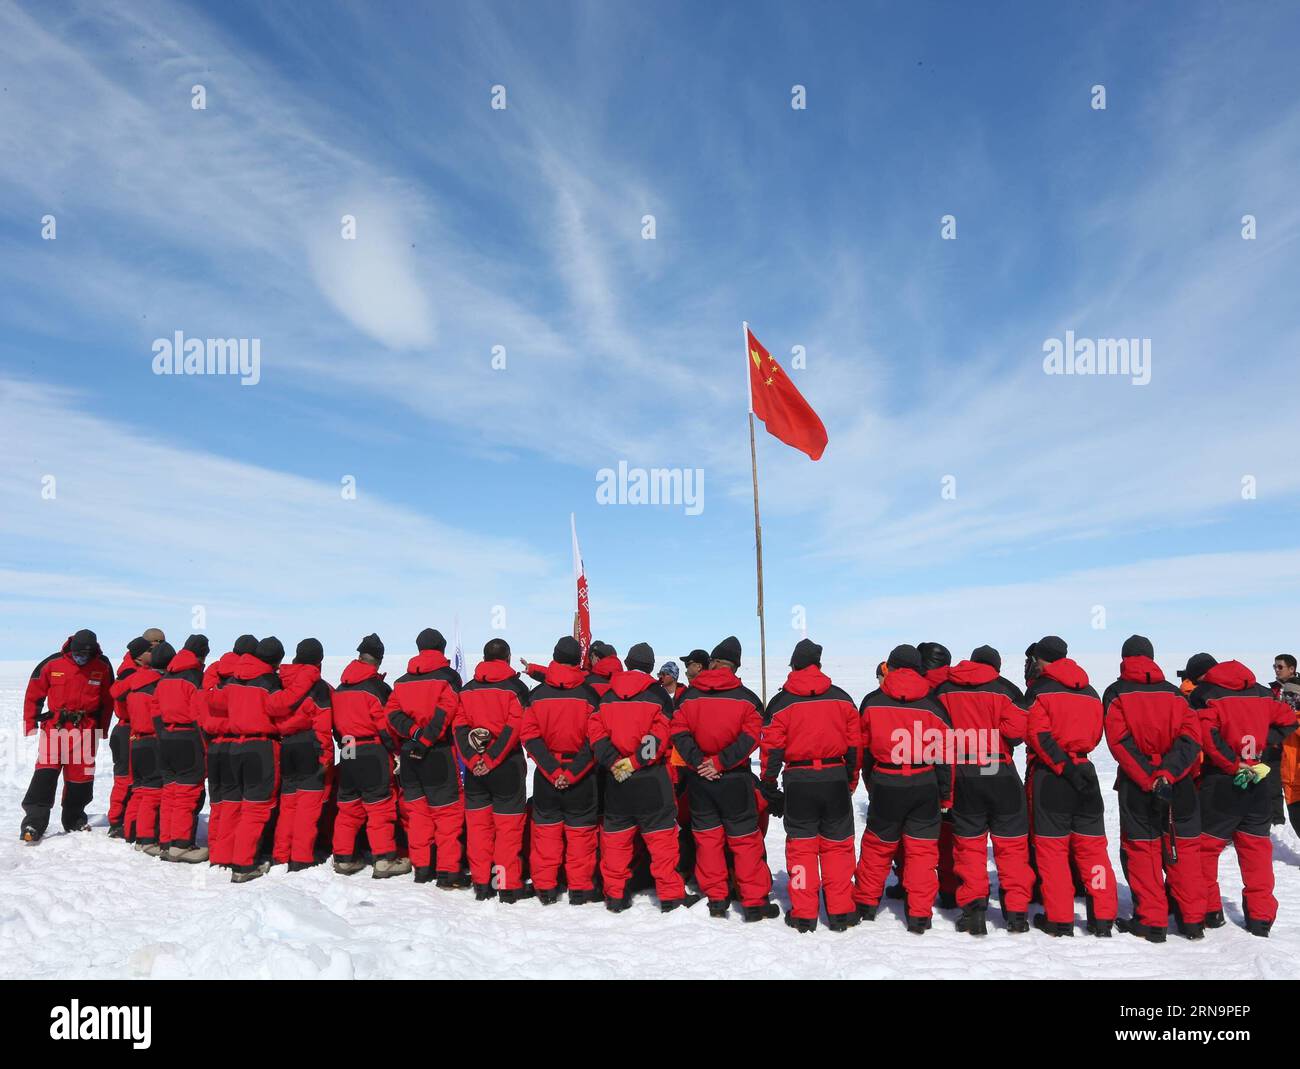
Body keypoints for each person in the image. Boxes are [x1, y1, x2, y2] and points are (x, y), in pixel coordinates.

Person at [1102, 635, 1206, 942]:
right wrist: (1169, 773)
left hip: (1138, 785)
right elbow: (1191, 737)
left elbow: (1118, 741)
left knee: (1142, 850)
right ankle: (1192, 920)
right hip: (1179, 783)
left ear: (1124, 658)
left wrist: (1149, 777)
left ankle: (1152, 921)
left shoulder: (1116, 692)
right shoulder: (1175, 694)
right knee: (1184, 850)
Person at [671, 636, 778, 922]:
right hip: (735, 779)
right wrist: (720, 762)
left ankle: (717, 897)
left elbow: (678, 732)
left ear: (714, 662)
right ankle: (754, 901)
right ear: (735, 666)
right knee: (745, 841)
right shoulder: (748, 699)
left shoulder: (689, 697)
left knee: (708, 840)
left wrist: (701, 763)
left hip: (700, 780)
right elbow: (752, 738)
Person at [760, 639, 861, 933]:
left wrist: (768, 783)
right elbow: (855, 746)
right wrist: (851, 780)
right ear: (818, 665)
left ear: (794, 666)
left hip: (799, 781)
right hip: (834, 778)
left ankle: (804, 913)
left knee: (802, 849)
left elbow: (771, 749)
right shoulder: (842, 698)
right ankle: (841, 910)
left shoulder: (782, 702)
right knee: (838, 848)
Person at [932, 645, 1034, 935]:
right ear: (995, 667)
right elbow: (1015, 734)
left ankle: (974, 912)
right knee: (1011, 846)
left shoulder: (944, 689)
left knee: (970, 846)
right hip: (997, 768)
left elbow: (936, 731)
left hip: (964, 772)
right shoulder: (1006, 689)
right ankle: (1016, 914)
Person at [1191, 656, 1297, 936]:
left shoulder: (1207, 694)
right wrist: (1267, 737)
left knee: (1205, 850)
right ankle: (1261, 918)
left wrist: (1230, 761)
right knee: (1256, 851)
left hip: (1222, 780)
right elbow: (1289, 719)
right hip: (1258, 775)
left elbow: (1206, 734)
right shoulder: (1262, 692)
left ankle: (1211, 911)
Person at [852, 644, 952, 933]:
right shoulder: (934, 705)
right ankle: (920, 913)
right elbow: (944, 756)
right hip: (923, 782)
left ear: (891, 668)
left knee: (877, 846)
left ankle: (866, 903)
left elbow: (864, 749)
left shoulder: (872, 701)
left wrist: (871, 782)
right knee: (922, 850)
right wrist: (945, 794)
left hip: (886, 780)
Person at [590, 642, 696, 912]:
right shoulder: (657, 695)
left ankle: (615, 895)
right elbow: (659, 735)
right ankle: (671, 896)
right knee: (661, 840)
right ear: (651, 667)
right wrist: (635, 762)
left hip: (617, 780)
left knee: (615, 840)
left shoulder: (609, 696)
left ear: (626, 662)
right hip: (651, 777)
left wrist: (618, 764)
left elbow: (597, 733)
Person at [1024, 635, 1117, 937]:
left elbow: (1038, 735)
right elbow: (1095, 733)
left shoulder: (1040, 690)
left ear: (1041, 659)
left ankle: (1060, 918)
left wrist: (1061, 765)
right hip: (1086, 770)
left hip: (1052, 776)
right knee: (1093, 850)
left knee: (1053, 851)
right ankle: (1103, 917)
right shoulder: (1090, 691)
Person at [204, 635, 316, 882]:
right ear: (275, 661)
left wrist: (213, 673)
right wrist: (306, 679)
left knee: (232, 806)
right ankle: (244, 866)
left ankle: (222, 858)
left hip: (233, 747)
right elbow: (281, 705)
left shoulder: (233, 681)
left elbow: (213, 698)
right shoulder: (268, 682)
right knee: (255, 809)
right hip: (261, 748)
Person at [385, 628, 467, 887]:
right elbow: (446, 711)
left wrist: (414, 734)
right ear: (442, 649)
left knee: (418, 815)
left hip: (410, 754)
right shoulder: (449, 677)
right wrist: (426, 738)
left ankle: (422, 869)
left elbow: (392, 714)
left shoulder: (401, 681)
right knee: (447, 817)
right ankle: (448, 872)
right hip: (438, 752)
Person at [522, 636, 601, 905]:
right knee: (581, 834)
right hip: (581, 776)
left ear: (554, 658)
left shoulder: (537, 695)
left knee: (546, 833)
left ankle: (545, 887)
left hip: (547, 777)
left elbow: (530, 737)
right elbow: (595, 740)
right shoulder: (590, 695)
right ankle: (579, 889)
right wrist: (571, 773)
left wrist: (553, 771)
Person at [20, 629, 114, 842]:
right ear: (71, 649)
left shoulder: (103, 666)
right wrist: (30, 723)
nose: (81, 659)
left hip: (87, 730)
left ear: (93, 652)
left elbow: (108, 702)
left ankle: (74, 819)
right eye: (78, 654)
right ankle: (34, 823)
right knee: (45, 774)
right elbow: (33, 694)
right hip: (55, 728)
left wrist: (103, 729)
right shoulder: (52, 664)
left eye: (85, 655)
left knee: (81, 778)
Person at [455, 638, 531, 901]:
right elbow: (515, 727)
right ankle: (506, 886)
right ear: (508, 658)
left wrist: (472, 759)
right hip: (506, 766)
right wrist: (492, 758)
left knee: (478, 828)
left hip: (475, 768)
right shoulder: (516, 688)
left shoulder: (467, 690)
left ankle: (481, 883)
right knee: (506, 830)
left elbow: (459, 726)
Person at [330, 634, 406, 880]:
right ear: (379, 660)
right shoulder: (377, 689)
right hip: (372, 750)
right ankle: (383, 859)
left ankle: (343, 858)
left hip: (347, 748)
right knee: (379, 806)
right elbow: (385, 726)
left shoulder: (341, 688)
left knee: (348, 806)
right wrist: (394, 751)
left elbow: (335, 725)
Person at [274, 639, 335, 871]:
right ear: (319, 660)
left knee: (288, 804)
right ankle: (301, 858)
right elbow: (322, 723)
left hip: (287, 746)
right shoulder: (319, 687)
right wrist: (326, 757)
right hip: (310, 746)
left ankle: (281, 854)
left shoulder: (282, 682)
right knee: (307, 807)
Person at [201, 634, 257, 867]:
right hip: (237, 742)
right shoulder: (248, 675)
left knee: (218, 802)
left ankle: (216, 850)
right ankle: (230, 853)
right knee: (238, 804)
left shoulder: (213, 673)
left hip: (213, 743)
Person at [155, 635, 211, 863]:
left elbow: (155, 710)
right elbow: (199, 714)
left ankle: (166, 842)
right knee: (187, 792)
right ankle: (181, 844)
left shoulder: (167, 676)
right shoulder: (195, 677)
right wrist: (205, 745)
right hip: (188, 736)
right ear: (202, 654)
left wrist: (162, 735)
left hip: (166, 736)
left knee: (170, 790)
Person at [120, 641, 174, 855]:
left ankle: (131, 831)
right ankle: (146, 837)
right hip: (153, 740)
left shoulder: (134, 683)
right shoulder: (158, 686)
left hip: (135, 739)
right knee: (152, 792)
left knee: (139, 790)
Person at [107, 636, 151, 838]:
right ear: (140, 655)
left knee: (131, 778)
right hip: (127, 730)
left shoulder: (130, 671)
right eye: (149, 650)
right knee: (125, 778)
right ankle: (117, 821)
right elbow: (117, 693)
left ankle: (127, 820)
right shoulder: (131, 674)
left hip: (129, 730)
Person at [1270, 655, 1300, 836]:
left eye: (1280, 667)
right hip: (1286, 766)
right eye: (1275, 666)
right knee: (1295, 816)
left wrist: (1292, 718)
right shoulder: (1273, 690)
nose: (1276, 669)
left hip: (1295, 769)